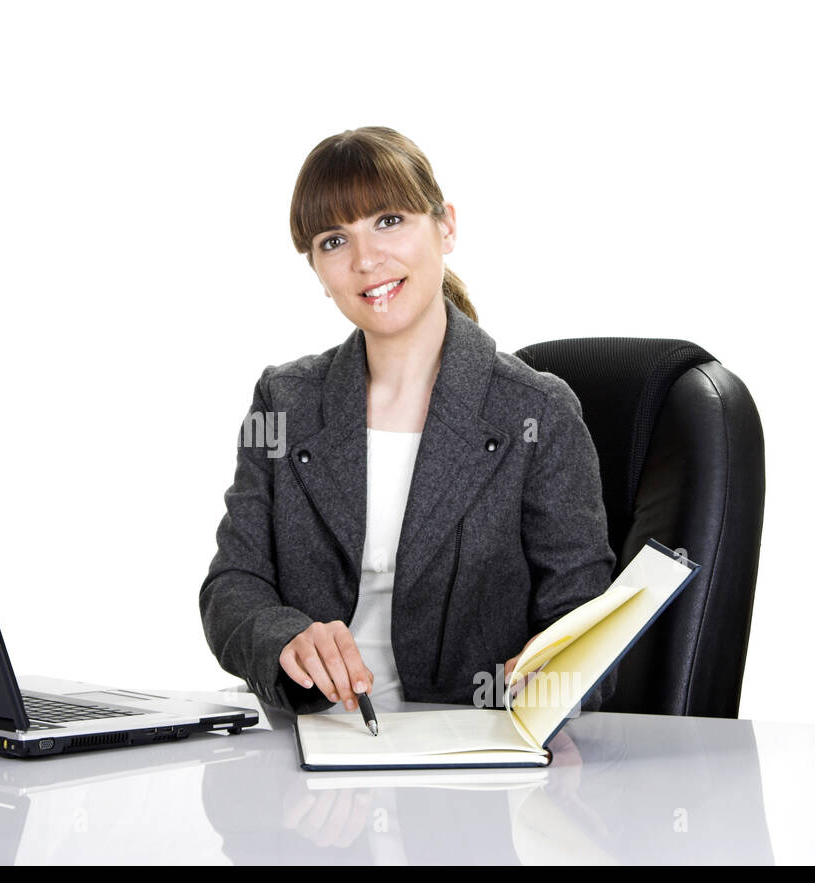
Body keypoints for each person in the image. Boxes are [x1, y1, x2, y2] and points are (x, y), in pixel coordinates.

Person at [199, 126, 617, 717]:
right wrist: (283, 638)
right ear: (317, 269)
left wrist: (549, 686)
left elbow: (586, 619)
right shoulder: (284, 402)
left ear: (445, 226)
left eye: (389, 221)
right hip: (316, 748)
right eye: (333, 240)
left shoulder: (536, 412)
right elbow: (232, 584)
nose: (366, 260)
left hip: (474, 756)